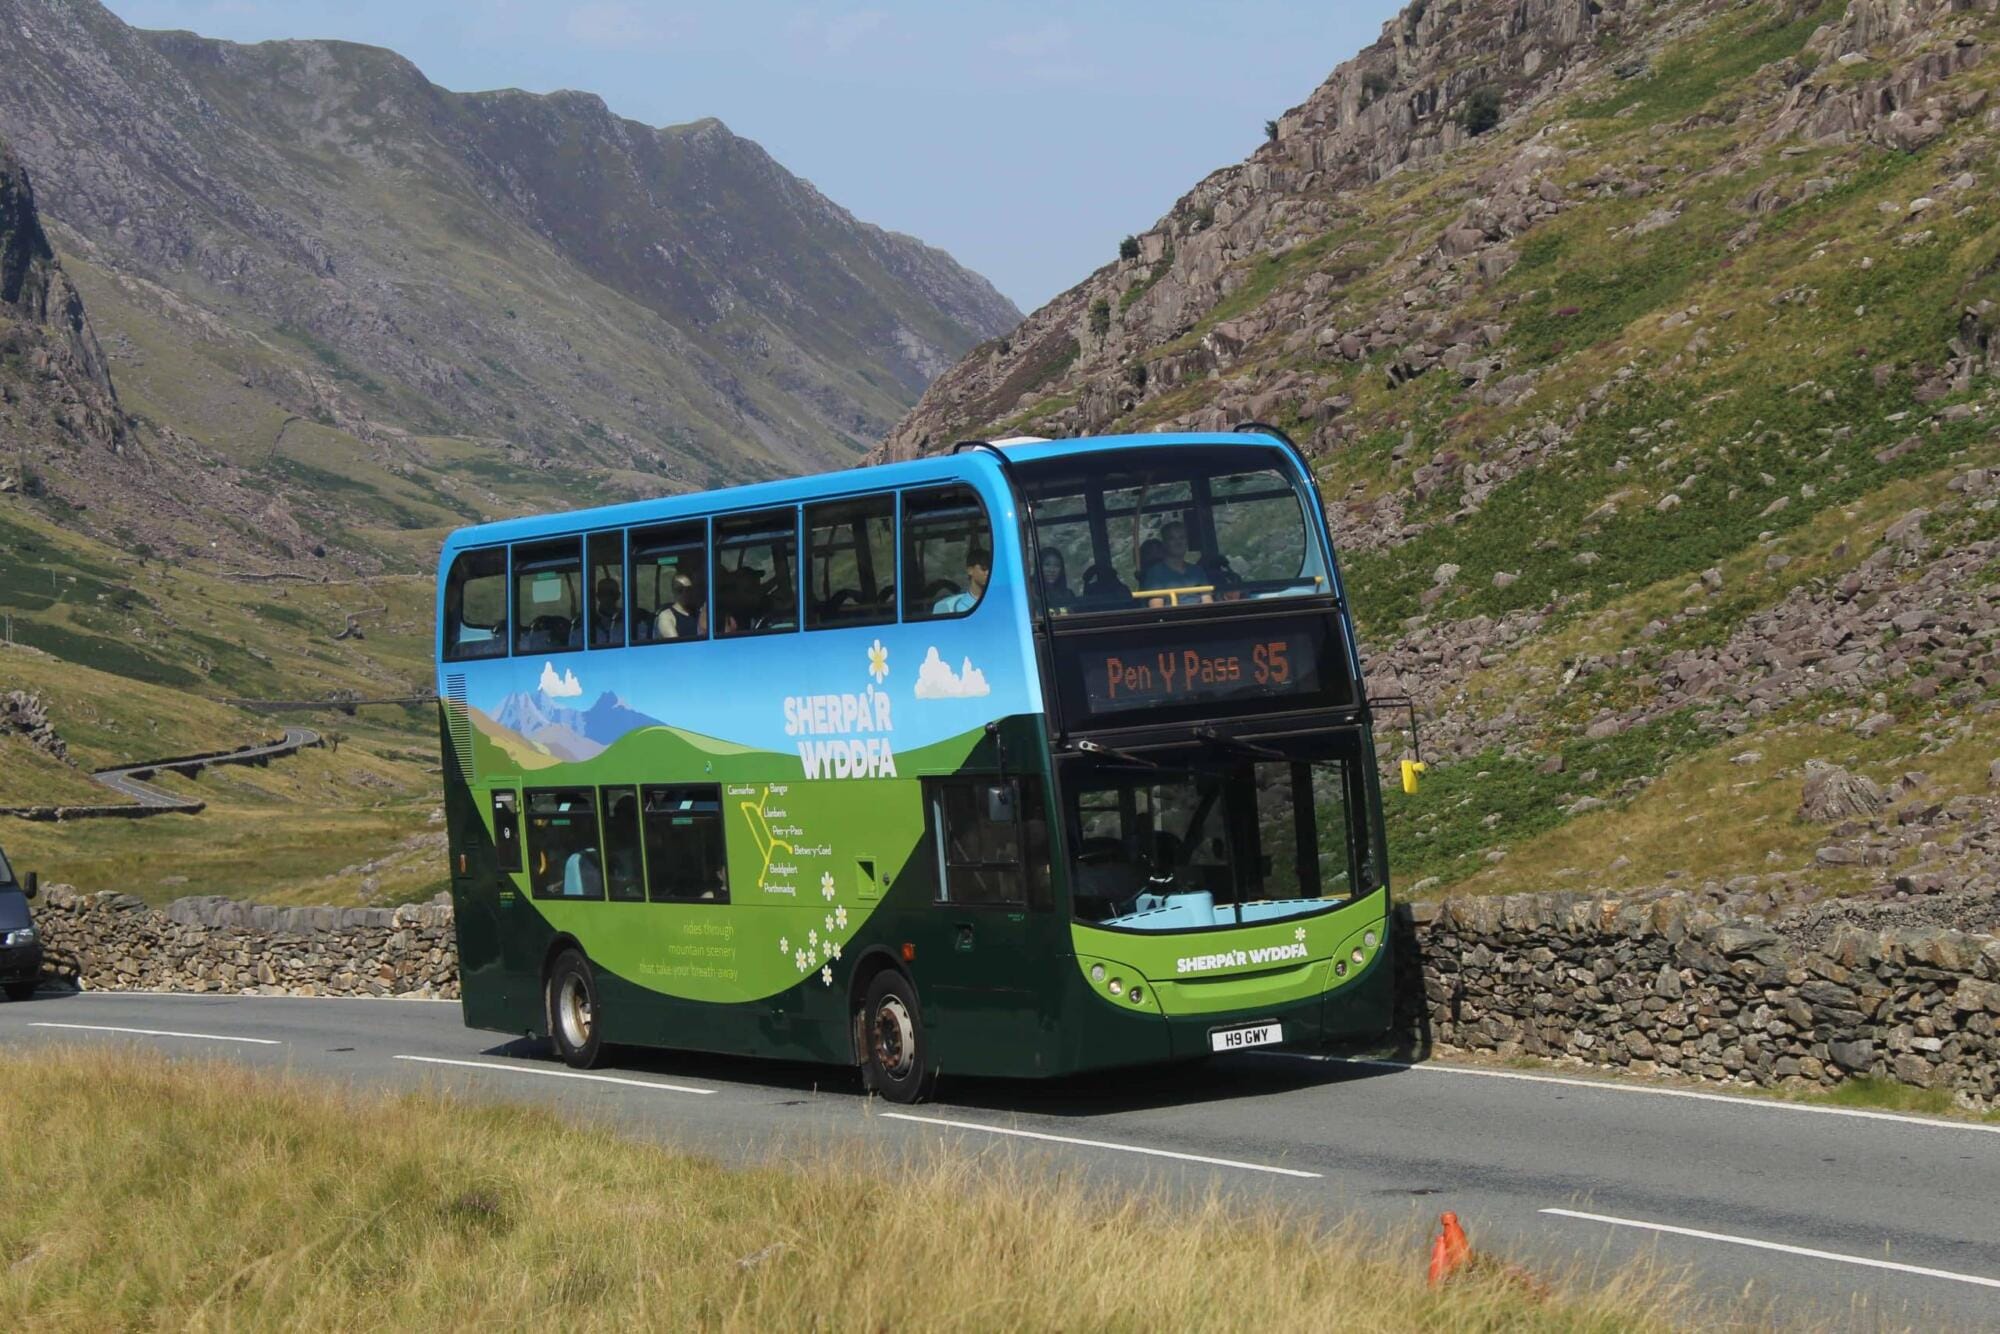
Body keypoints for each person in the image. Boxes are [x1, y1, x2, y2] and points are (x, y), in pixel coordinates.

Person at [1140, 521, 1202, 590]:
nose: (1178, 542)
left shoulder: (1197, 571)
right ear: (1165, 544)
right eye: (1172, 538)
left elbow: (1207, 599)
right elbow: (1156, 600)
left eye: (1182, 537)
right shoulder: (1154, 574)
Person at [934, 545, 990, 614]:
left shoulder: (997, 601)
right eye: (983, 569)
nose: (987, 573)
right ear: (970, 570)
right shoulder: (956, 608)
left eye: (990, 569)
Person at [656, 572, 705, 640]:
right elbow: (676, 646)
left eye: (688, 589)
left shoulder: (700, 613)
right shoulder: (666, 616)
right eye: (680, 589)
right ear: (673, 590)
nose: (684, 592)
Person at [590, 577, 624, 647]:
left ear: (618, 595)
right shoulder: (589, 623)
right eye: (604, 593)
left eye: (612, 593)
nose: (608, 597)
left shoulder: (628, 621)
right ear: (597, 596)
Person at [1038, 548, 1073, 613]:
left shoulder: (1068, 594)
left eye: (1057, 565)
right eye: (1047, 565)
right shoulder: (1032, 595)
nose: (1052, 570)